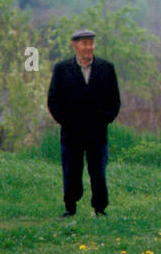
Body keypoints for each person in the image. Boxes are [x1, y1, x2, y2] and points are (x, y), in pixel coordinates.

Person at [47, 29, 121, 218]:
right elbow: (53, 100)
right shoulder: (62, 69)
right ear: (75, 46)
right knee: (71, 171)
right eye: (84, 43)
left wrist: (104, 120)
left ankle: (100, 208)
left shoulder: (106, 68)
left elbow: (114, 101)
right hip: (72, 133)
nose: (89, 47)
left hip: (97, 133)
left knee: (98, 172)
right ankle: (70, 207)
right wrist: (66, 121)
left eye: (91, 43)